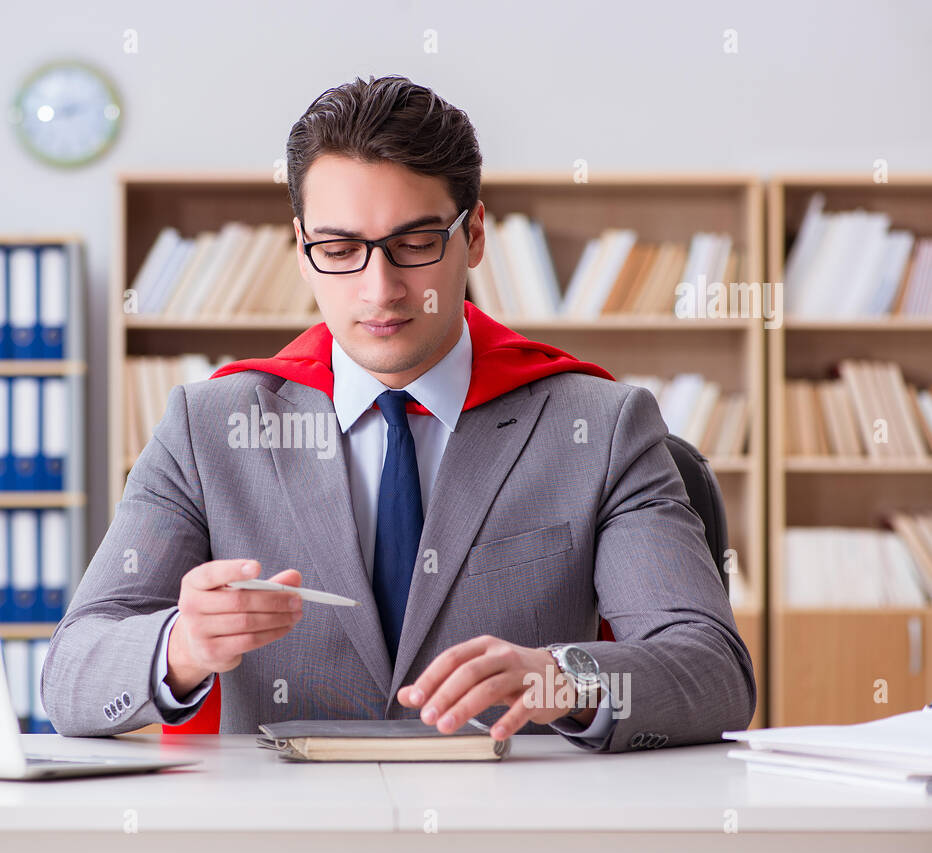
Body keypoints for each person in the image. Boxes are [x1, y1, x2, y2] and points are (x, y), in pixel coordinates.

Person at [42, 74, 756, 751]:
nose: (379, 289)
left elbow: (712, 672)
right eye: (340, 248)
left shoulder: (600, 427)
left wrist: (561, 677)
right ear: (301, 250)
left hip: (514, 830)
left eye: (415, 244)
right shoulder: (206, 429)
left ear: (473, 235)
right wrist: (180, 646)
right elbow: (70, 675)